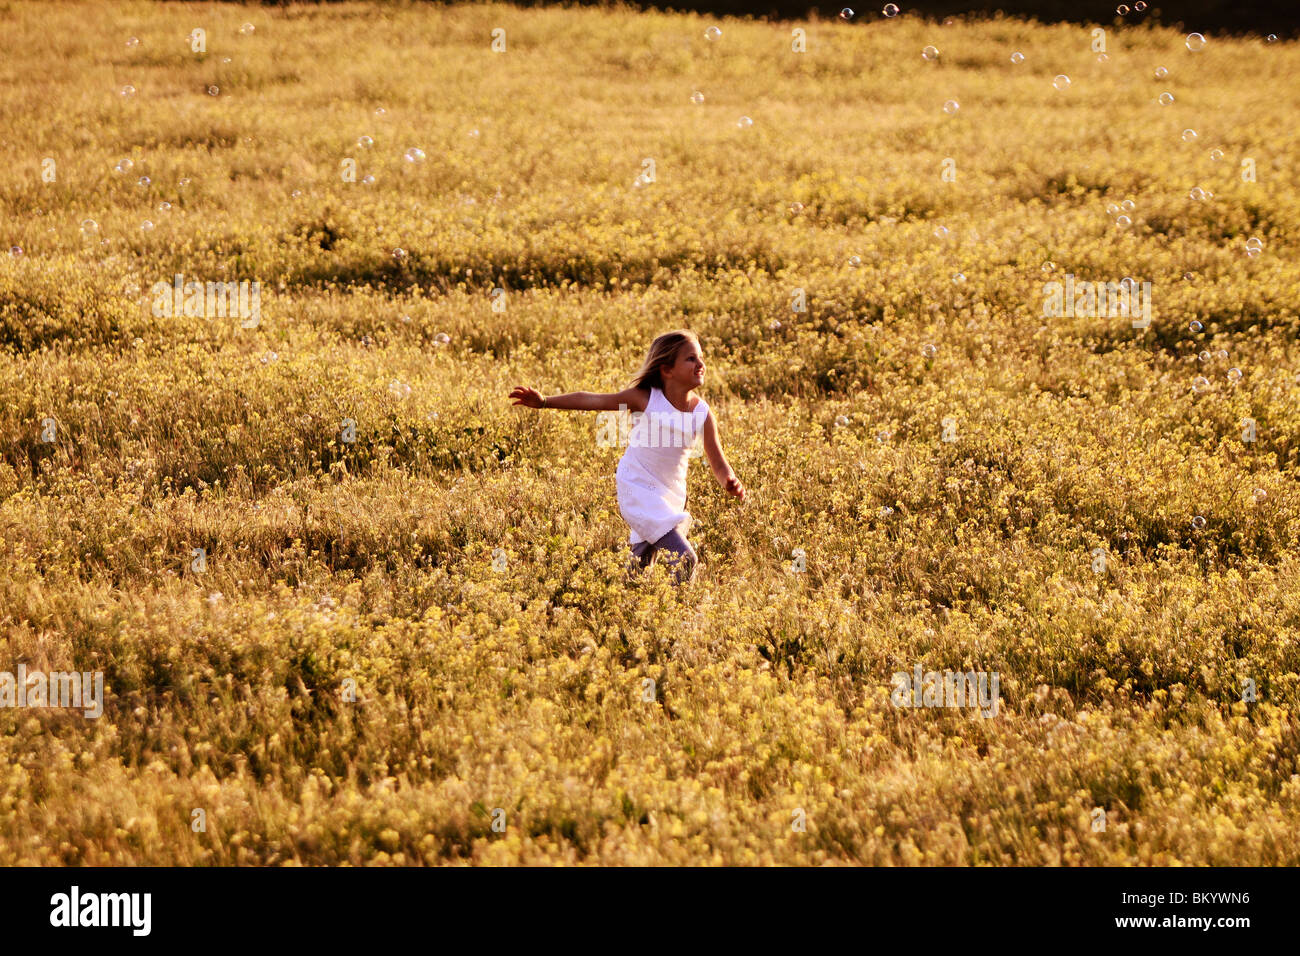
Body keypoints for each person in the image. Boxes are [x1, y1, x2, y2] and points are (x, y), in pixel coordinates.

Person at [508, 329, 744, 584]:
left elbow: (718, 462)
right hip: (638, 488)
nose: (701, 364)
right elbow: (593, 400)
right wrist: (545, 402)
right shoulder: (645, 399)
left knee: (639, 570)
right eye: (691, 359)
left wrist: (729, 481)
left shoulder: (703, 414)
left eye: (701, 357)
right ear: (667, 370)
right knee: (686, 558)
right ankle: (681, 611)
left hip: (672, 495)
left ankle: (628, 604)